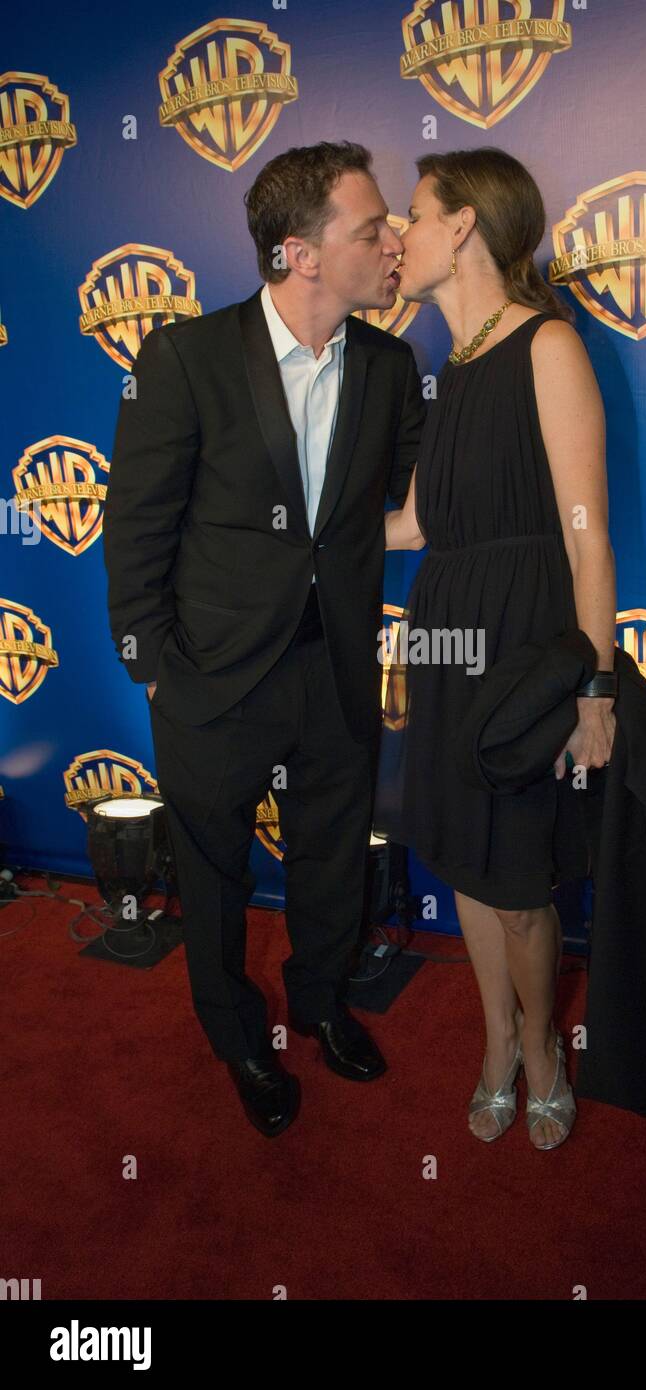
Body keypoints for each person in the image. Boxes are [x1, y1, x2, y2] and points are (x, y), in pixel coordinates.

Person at [103, 141, 425, 1138]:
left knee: (331, 857)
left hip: (333, 670)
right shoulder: (186, 359)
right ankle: (239, 1034)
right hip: (210, 682)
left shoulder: (387, 362)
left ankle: (322, 1003)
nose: (393, 241)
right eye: (371, 228)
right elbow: (137, 530)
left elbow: (415, 506)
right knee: (213, 874)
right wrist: (154, 670)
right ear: (299, 253)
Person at [379, 147, 616, 1151]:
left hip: (525, 642)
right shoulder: (448, 368)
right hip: (446, 636)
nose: (398, 233)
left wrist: (593, 688)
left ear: (465, 224)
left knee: (519, 881)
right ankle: (495, 1046)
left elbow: (584, 536)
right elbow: (414, 529)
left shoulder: (547, 347)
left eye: (415, 214)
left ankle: (548, 1051)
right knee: (471, 872)